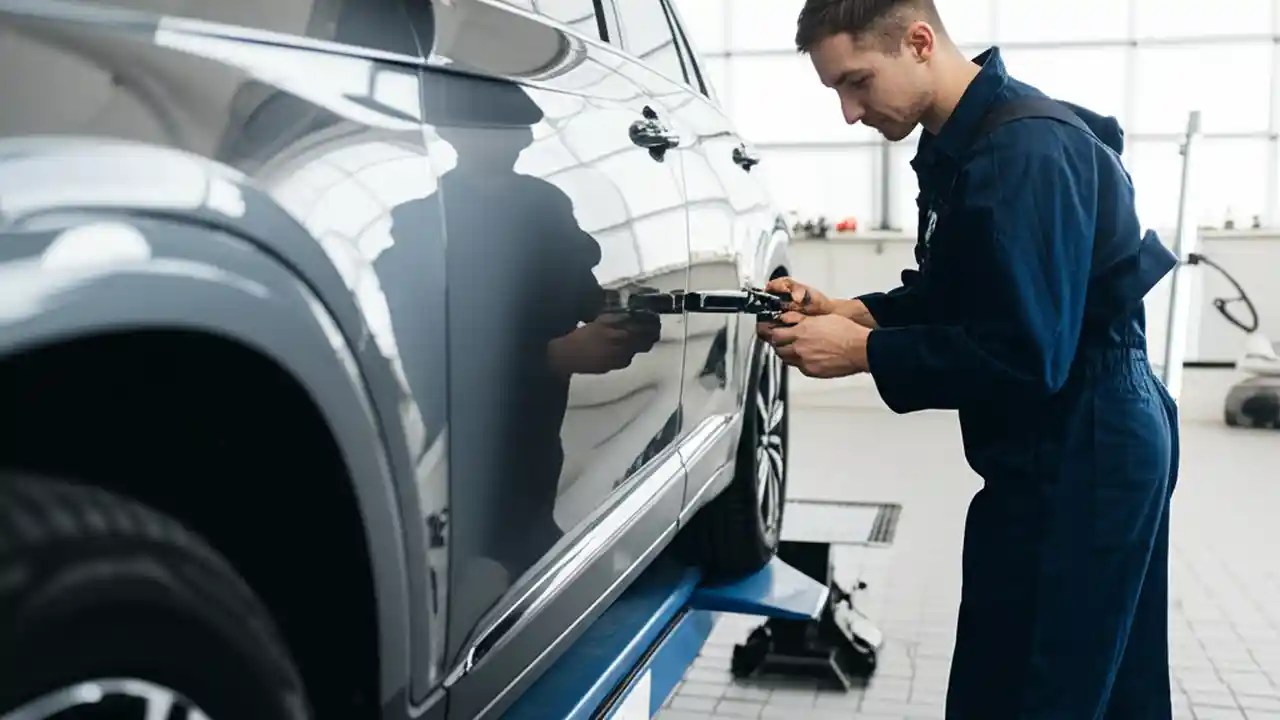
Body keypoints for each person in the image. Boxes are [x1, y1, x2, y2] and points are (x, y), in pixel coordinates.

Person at [756, 1, 1182, 717]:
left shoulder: (1024, 152)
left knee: (1032, 692)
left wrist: (864, 352)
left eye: (858, 82)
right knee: (1069, 683)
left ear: (919, 41)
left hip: (1086, 440)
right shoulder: (968, 144)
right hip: (1067, 435)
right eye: (836, 90)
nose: (850, 113)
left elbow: (1026, 353)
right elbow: (963, 295)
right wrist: (848, 311)